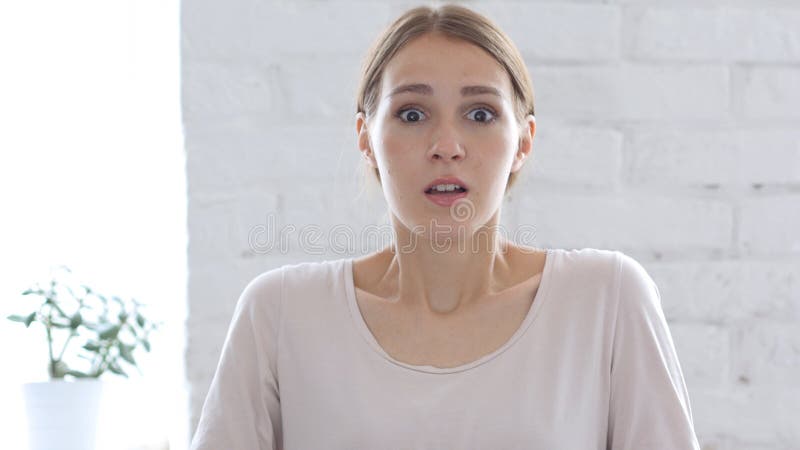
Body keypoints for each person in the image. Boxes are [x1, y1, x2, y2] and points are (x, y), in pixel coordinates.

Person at [190, 4, 701, 449]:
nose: (447, 145)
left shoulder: (606, 300)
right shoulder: (280, 314)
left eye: (480, 114)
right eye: (412, 114)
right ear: (366, 137)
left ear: (523, 141)